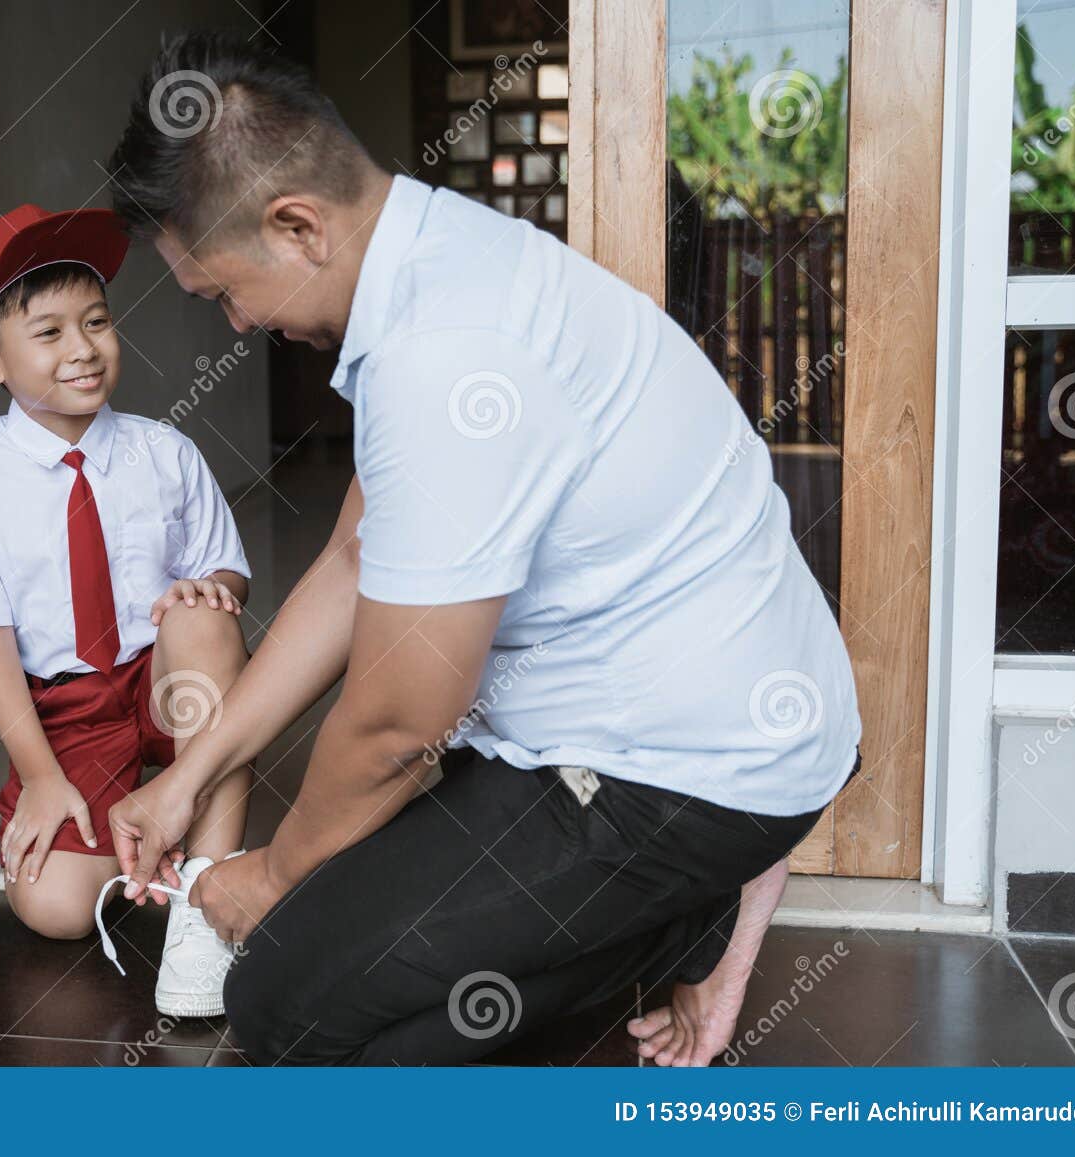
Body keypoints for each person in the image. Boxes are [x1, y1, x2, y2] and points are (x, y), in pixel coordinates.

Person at [103, 32, 864, 1066]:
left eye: (222, 291)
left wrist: (270, 878)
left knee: (288, 995)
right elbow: (352, 563)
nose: (236, 323)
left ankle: (685, 909)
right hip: (641, 716)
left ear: (296, 227)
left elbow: (396, 724)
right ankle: (656, 906)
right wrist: (194, 775)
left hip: (687, 771)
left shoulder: (444, 352)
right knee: (334, 937)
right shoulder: (436, 256)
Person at [0, 203, 253, 1017]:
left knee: (202, 619)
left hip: (160, 680)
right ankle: (149, 830)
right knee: (57, 910)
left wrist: (206, 590)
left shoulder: (163, 450)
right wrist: (39, 777)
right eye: (49, 333)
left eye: (97, 322)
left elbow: (229, 574)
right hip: (68, 706)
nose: (83, 349)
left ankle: (207, 895)